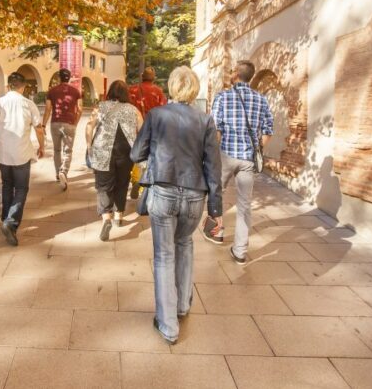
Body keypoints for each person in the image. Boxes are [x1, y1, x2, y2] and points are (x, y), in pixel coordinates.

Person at [131, 66, 222, 345]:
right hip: (195, 194)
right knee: (185, 244)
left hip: (164, 191)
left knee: (164, 256)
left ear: (171, 86)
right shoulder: (206, 120)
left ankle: (168, 324)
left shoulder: (157, 115)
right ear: (194, 88)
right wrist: (216, 210)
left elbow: (137, 153)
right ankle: (182, 306)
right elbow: (213, 167)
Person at [205, 60, 273, 264]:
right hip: (248, 159)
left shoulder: (223, 97)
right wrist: (258, 149)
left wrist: (213, 155)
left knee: (216, 193)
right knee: (244, 205)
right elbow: (268, 131)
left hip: (226, 154)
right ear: (250, 77)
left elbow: (215, 131)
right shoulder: (261, 100)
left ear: (236, 74)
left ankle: (216, 232)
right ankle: (240, 251)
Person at [0, 72, 45, 246]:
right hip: (22, 154)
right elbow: (39, 129)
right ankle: (11, 222)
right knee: (22, 188)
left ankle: (5, 218)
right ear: (23, 87)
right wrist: (42, 146)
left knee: (7, 185)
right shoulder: (28, 104)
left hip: (3, 154)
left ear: (8, 86)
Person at [86, 80, 143, 241]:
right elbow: (142, 129)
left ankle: (107, 218)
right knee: (122, 183)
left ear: (110, 92)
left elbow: (90, 126)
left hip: (103, 150)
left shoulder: (101, 107)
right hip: (126, 151)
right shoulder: (133, 110)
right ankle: (118, 216)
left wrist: (89, 145)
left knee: (104, 185)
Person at [128, 66, 167, 198]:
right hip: (153, 128)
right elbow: (163, 110)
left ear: (142, 76)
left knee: (136, 153)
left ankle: (135, 178)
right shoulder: (158, 91)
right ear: (153, 78)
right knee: (151, 154)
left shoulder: (132, 89)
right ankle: (146, 181)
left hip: (135, 127)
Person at [42, 68, 82, 191]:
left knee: (57, 150)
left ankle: (58, 174)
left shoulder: (52, 91)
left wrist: (43, 125)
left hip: (55, 123)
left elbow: (48, 109)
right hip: (69, 123)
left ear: (59, 78)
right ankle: (63, 172)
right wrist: (75, 123)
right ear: (69, 78)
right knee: (68, 151)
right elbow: (80, 109)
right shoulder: (76, 91)